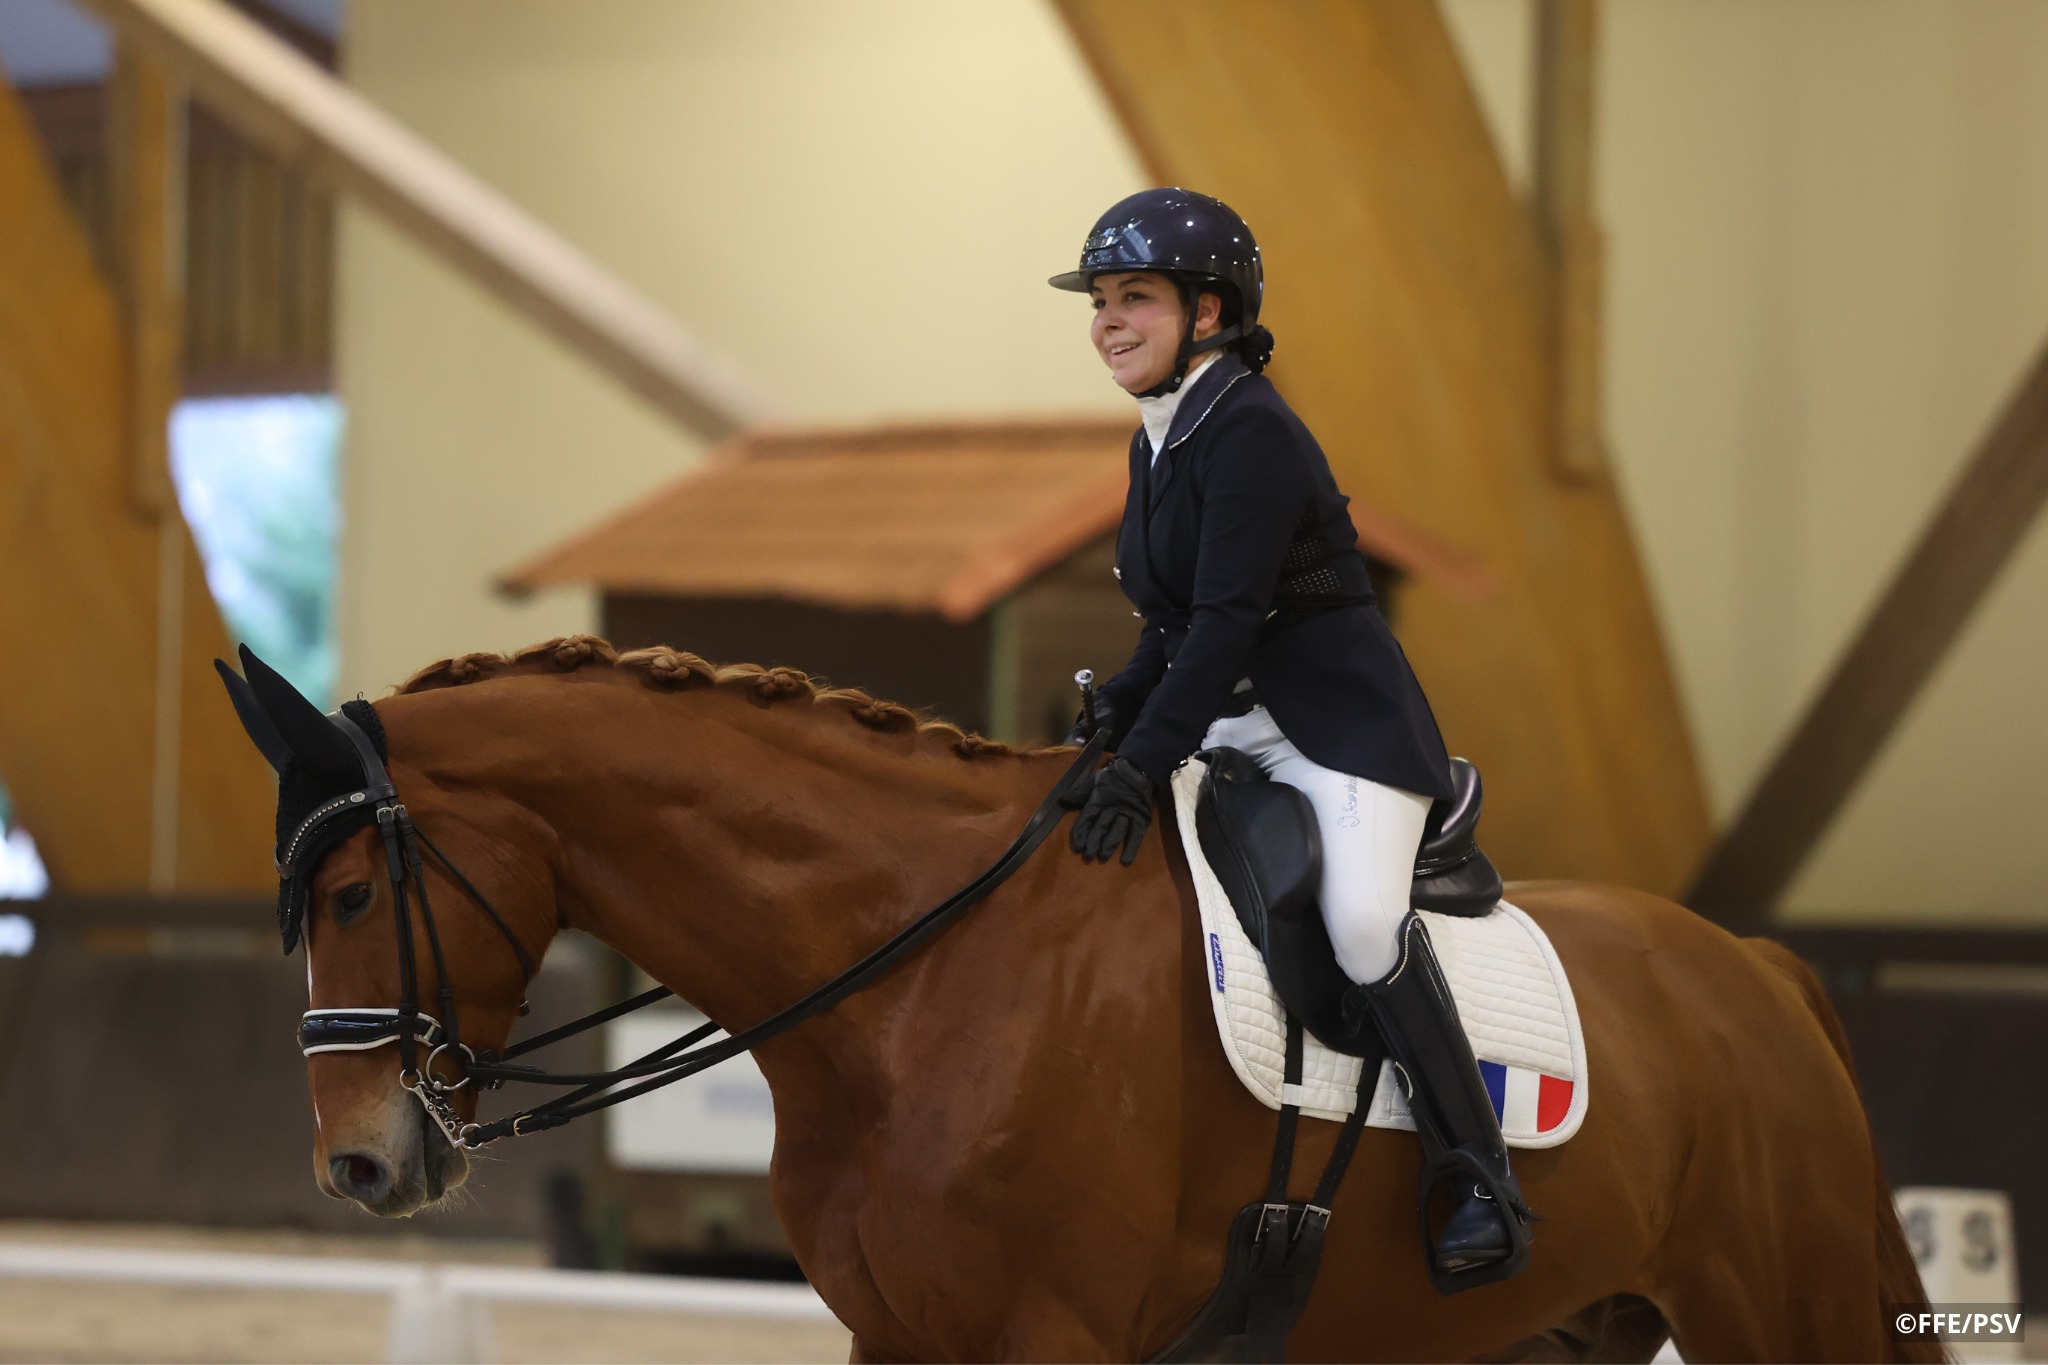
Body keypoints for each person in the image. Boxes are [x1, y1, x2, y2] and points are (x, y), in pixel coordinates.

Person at [1052, 187, 1532, 1286]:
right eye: (1100, 301)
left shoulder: (1252, 430)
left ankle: (1475, 1172)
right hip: (1233, 720)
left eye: (1135, 299)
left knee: (1363, 923)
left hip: (1334, 731)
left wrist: (1143, 760)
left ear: (1207, 313)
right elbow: (1172, 624)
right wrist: (1120, 708)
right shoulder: (1162, 433)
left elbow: (1227, 621)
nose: (1107, 322)